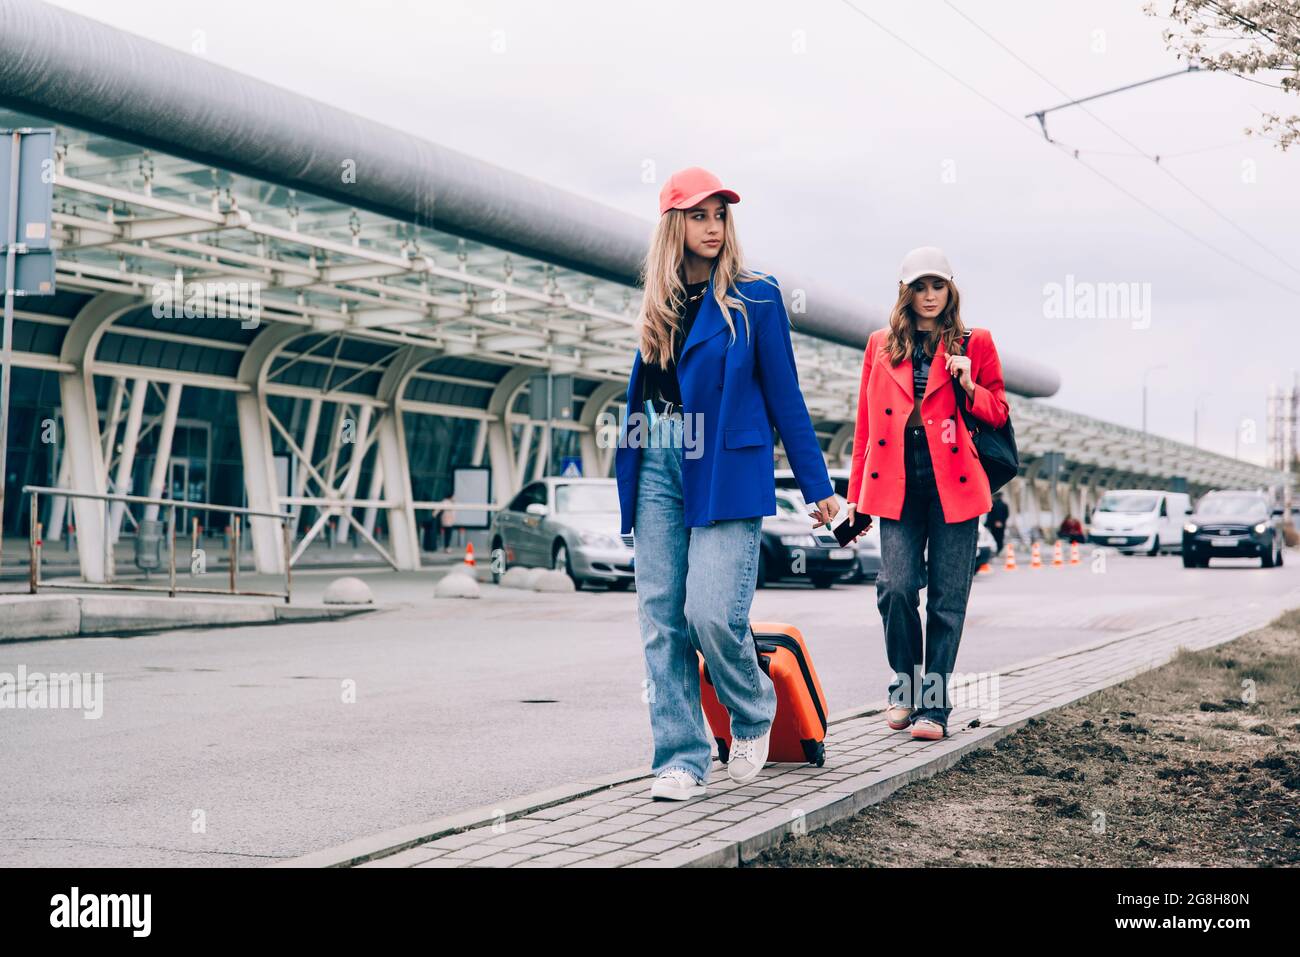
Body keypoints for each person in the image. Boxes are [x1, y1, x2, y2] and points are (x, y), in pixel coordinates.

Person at [615, 167, 837, 801]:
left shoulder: (757, 296)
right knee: (661, 618)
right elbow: (646, 392)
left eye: (720, 215)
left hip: (727, 466)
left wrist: (819, 487)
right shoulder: (657, 299)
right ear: (673, 225)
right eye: (699, 215)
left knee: (711, 613)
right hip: (660, 453)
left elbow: (786, 398)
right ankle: (680, 757)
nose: (713, 227)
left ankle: (753, 709)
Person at [843, 247, 1009, 742]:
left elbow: (998, 412)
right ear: (905, 293)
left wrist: (968, 384)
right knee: (894, 586)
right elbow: (865, 428)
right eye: (919, 287)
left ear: (950, 289)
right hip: (896, 478)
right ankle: (905, 684)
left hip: (954, 478)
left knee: (946, 600)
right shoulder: (880, 345)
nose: (929, 296)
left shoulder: (974, 342)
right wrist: (855, 496)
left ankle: (933, 707)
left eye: (937, 286)